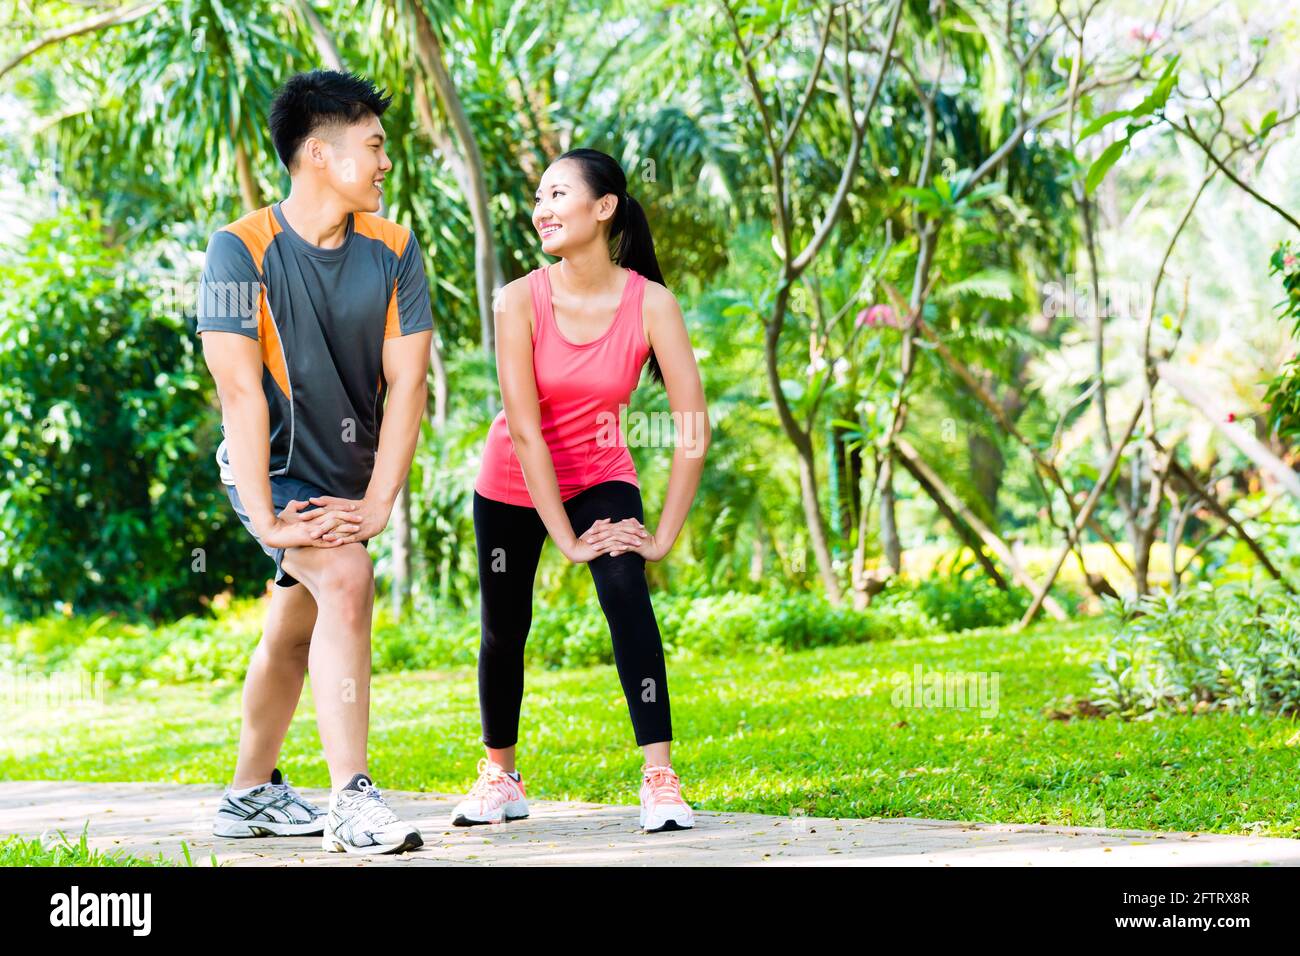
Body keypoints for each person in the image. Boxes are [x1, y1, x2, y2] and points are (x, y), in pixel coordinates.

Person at [196, 69, 432, 855]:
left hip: (347, 473)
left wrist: (379, 504)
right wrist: (264, 514)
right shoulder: (238, 250)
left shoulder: (396, 249)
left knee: (295, 627)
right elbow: (239, 392)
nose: (385, 163)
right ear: (319, 156)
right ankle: (351, 799)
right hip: (267, 465)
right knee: (347, 578)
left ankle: (248, 793)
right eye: (373, 146)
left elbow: (408, 387)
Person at [452, 148, 710, 832]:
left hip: (600, 473)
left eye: (558, 193)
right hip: (512, 477)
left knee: (626, 590)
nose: (542, 209)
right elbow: (528, 430)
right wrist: (565, 539)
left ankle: (660, 778)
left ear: (604, 208)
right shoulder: (518, 299)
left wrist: (662, 536)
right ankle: (500, 776)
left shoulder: (651, 303)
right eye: (538, 196)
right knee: (505, 627)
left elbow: (692, 425)